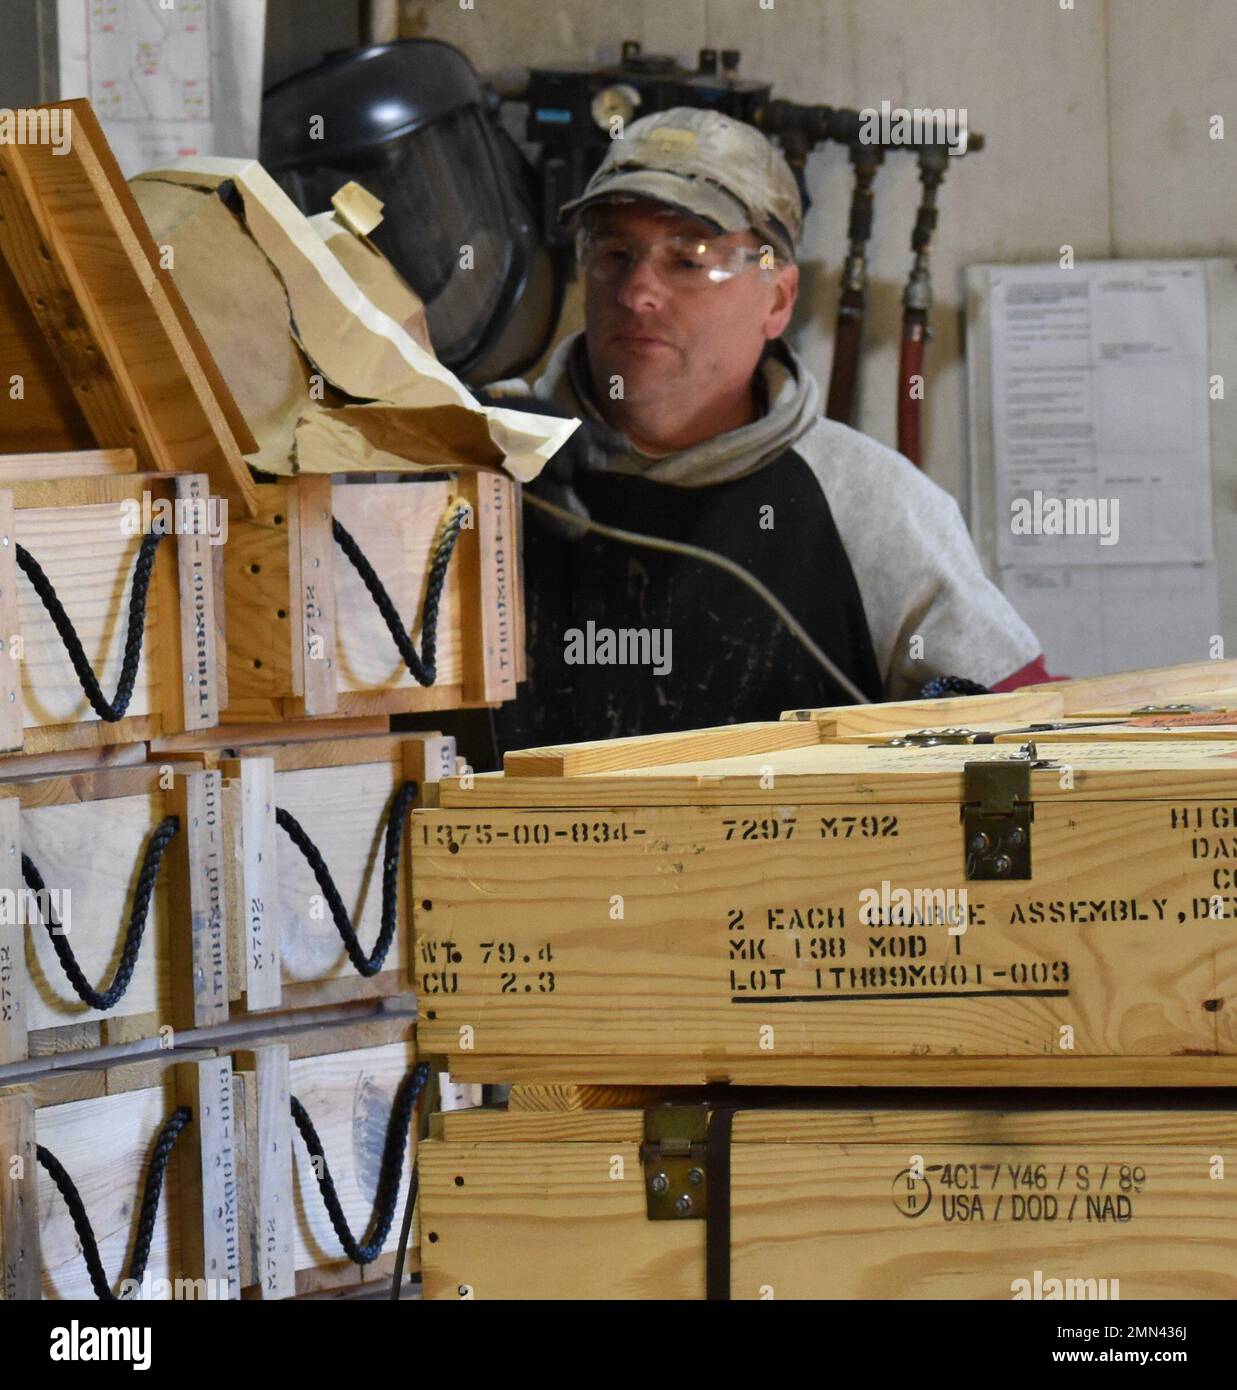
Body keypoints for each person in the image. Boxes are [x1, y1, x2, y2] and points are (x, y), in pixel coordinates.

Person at [491, 107, 1049, 753]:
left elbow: (1022, 738)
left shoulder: (869, 504)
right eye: (615, 253)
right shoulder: (477, 461)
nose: (637, 291)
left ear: (778, 299)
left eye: (689, 260)